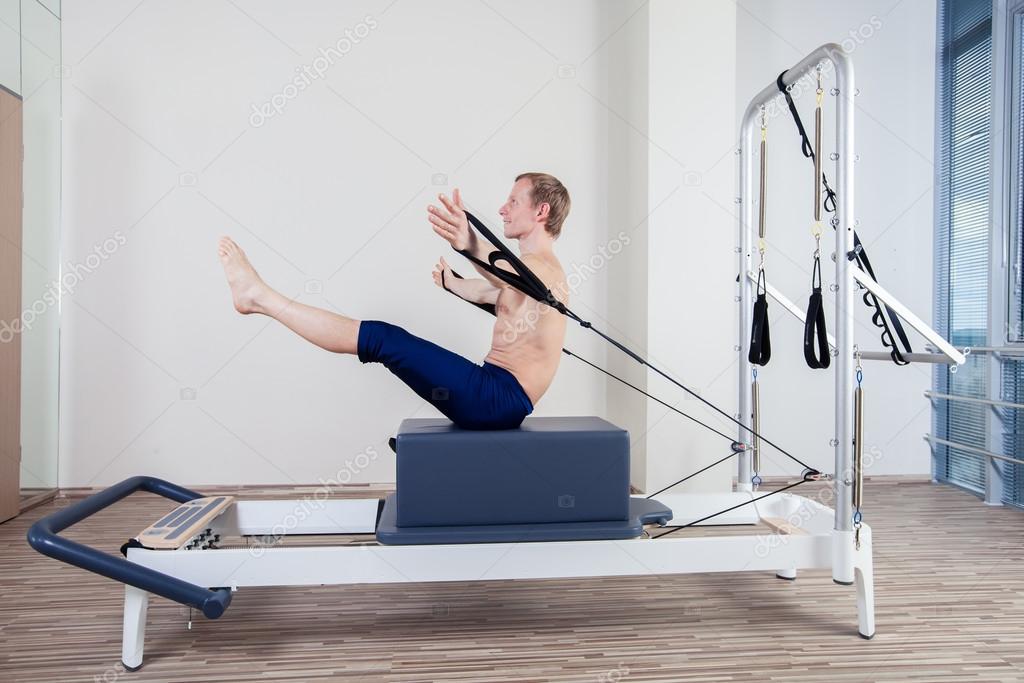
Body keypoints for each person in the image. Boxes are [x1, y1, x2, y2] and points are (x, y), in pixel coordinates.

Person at [217, 172, 570, 430]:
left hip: (497, 399)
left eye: (513, 201)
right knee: (385, 340)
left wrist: (469, 243)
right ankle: (259, 298)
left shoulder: (547, 272)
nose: (503, 209)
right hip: (493, 392)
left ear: (540, 211)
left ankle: (259, 298)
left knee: (382, 339)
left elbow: (519, 281)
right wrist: (453, 283)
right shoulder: (528, 275)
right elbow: (498, 294)